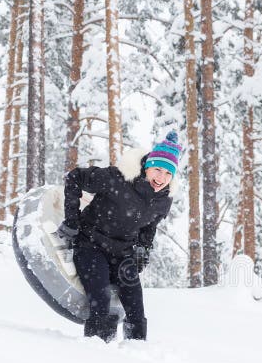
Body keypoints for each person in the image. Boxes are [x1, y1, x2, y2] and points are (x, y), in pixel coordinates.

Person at [57, 132, 181, 342]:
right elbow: (74, 178)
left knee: (136, 306)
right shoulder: (117, 178)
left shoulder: (163, 200)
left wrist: (143, 248)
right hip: (91, 244)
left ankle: (136, 350)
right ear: (147, 166)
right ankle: (99, 350)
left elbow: (150, 226)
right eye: (157, 170)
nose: (161, 178)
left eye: (168, 173)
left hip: (122, 253)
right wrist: (72, 221)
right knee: (101, 298)